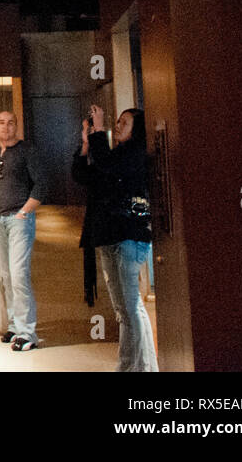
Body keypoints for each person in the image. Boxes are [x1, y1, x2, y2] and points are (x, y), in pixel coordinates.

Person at [74, 105, 158, 372]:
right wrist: (86, 145)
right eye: (117, 121)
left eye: (125, 122)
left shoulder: (134, 155)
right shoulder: (114, 154)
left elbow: (109, 166)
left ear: (137, 130)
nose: (118, 125)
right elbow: (83, 175)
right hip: (109, 236)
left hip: (129, 237)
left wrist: (99, 130)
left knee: (131, 309)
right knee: (124, 310)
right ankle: (141, 367)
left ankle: (132, 368)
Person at [0, 111, 46, 351]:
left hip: (18, 220)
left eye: (11, 123)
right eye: (1, 123)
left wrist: (24, 213)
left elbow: (41, 185)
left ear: (17, 126)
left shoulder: (27, 151)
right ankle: (15, 326)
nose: (6, 127)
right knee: (4, 275)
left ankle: (28, 333)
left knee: (18, 274)